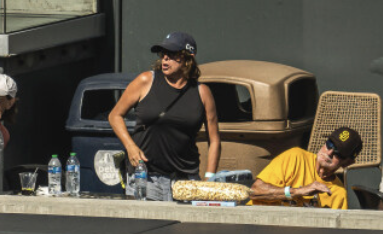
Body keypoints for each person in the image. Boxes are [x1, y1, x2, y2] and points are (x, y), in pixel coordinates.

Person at [108, 31, 221, 201]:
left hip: (185, 180)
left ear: (187, 58)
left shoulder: (202, 92)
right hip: (146, 177)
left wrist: (210, 179)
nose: (165, 58)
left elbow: (214, 140)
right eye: (163, 54)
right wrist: (130, 146)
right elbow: (115, 115)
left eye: (172, 54)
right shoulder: (146, 81)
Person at [248, 126, 361, 209]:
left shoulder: (338, 194)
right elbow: (254, 191)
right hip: (254, 222)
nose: (329, 152)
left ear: (347, 163)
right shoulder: (295, 157)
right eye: (330, 144)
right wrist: (297, 192)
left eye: (338, 153)